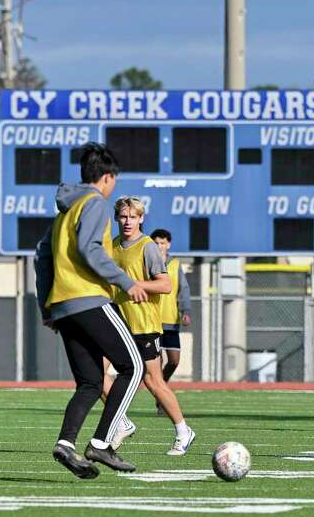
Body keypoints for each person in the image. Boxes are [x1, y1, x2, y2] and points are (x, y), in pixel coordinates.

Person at [35, 143, 146, 479]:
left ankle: (65, 443)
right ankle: (101, 443)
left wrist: (48, 306)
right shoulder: (95, 202)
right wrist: (126, 282)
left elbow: (41, 256)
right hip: (89, 299)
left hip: (64, 306)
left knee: (90, 383)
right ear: (108, 178)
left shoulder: (65, 211)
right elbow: (89, 249)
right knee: (134, 366)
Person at [100, 199, 196, 456]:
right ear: (116, 218)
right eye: (123, 216)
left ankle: (183, 431)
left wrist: (134, 284)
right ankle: (122, 422)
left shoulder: (147, 247)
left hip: (143, 325)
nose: (128, 221)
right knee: (94, 374)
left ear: (141, 219)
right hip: (118, 323)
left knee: (153, 381)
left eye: (133, 217)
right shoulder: (113, 245)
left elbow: (165, 285)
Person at [149, 229, 191, 385]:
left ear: (168, 245)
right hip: (152, 320)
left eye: (162, 243)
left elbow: (183, 289)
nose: (159, 246)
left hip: (171, 320)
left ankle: (162, 385)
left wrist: (185, 311)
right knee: (156, 361)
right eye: (156, 243)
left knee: (174, 361)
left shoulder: (175, 264)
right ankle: (160, 392)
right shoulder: (146, 262)